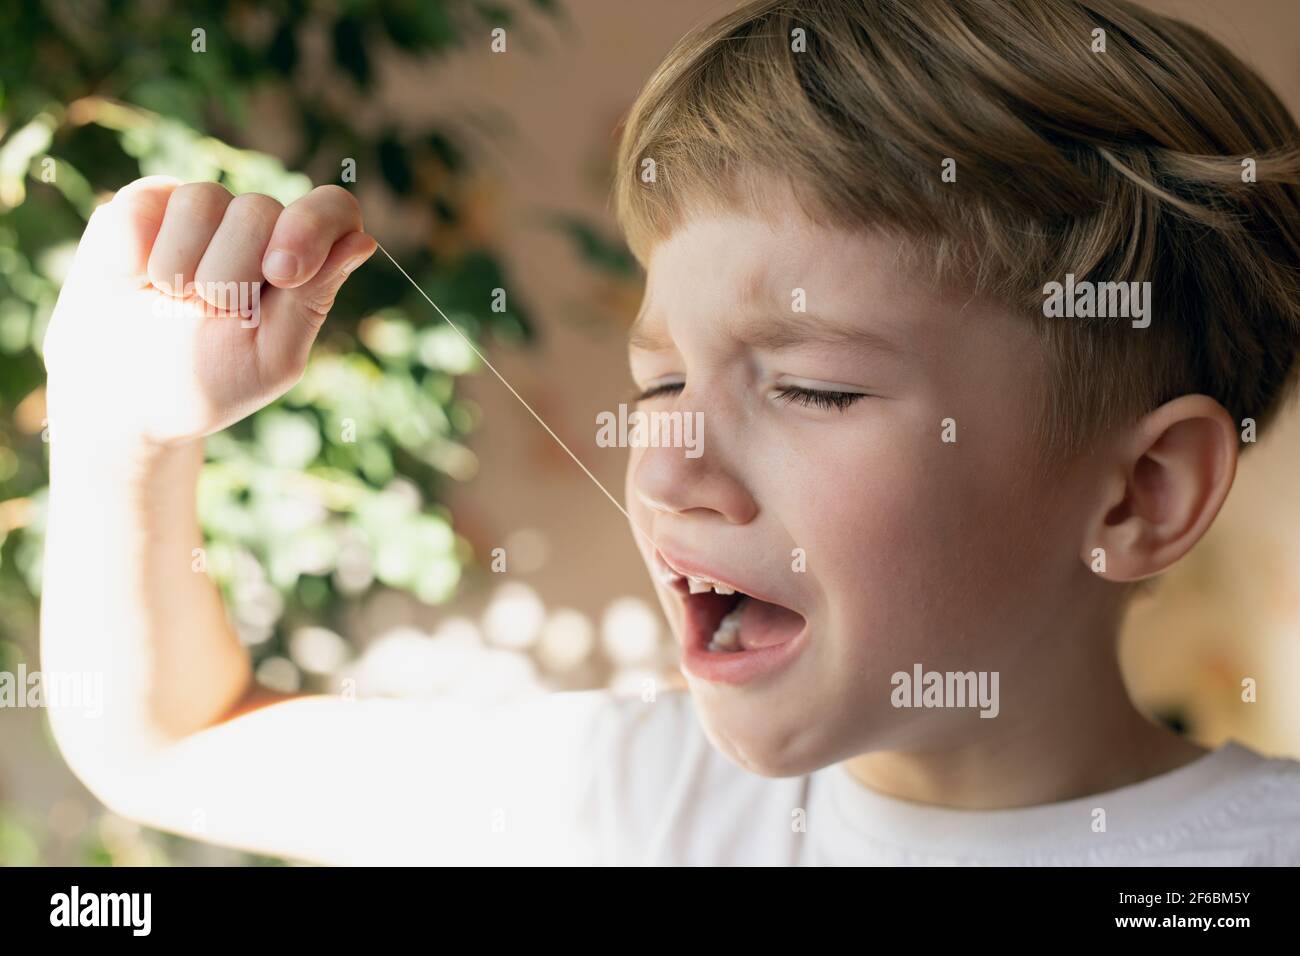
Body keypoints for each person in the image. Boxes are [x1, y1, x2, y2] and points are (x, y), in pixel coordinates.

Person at [40, 0, 1300, 864]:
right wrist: (123, 431)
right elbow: (171, 741)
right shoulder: (637, 798)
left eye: (812, 388)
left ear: (1137, 492)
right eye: (656, 386)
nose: (668, 464)